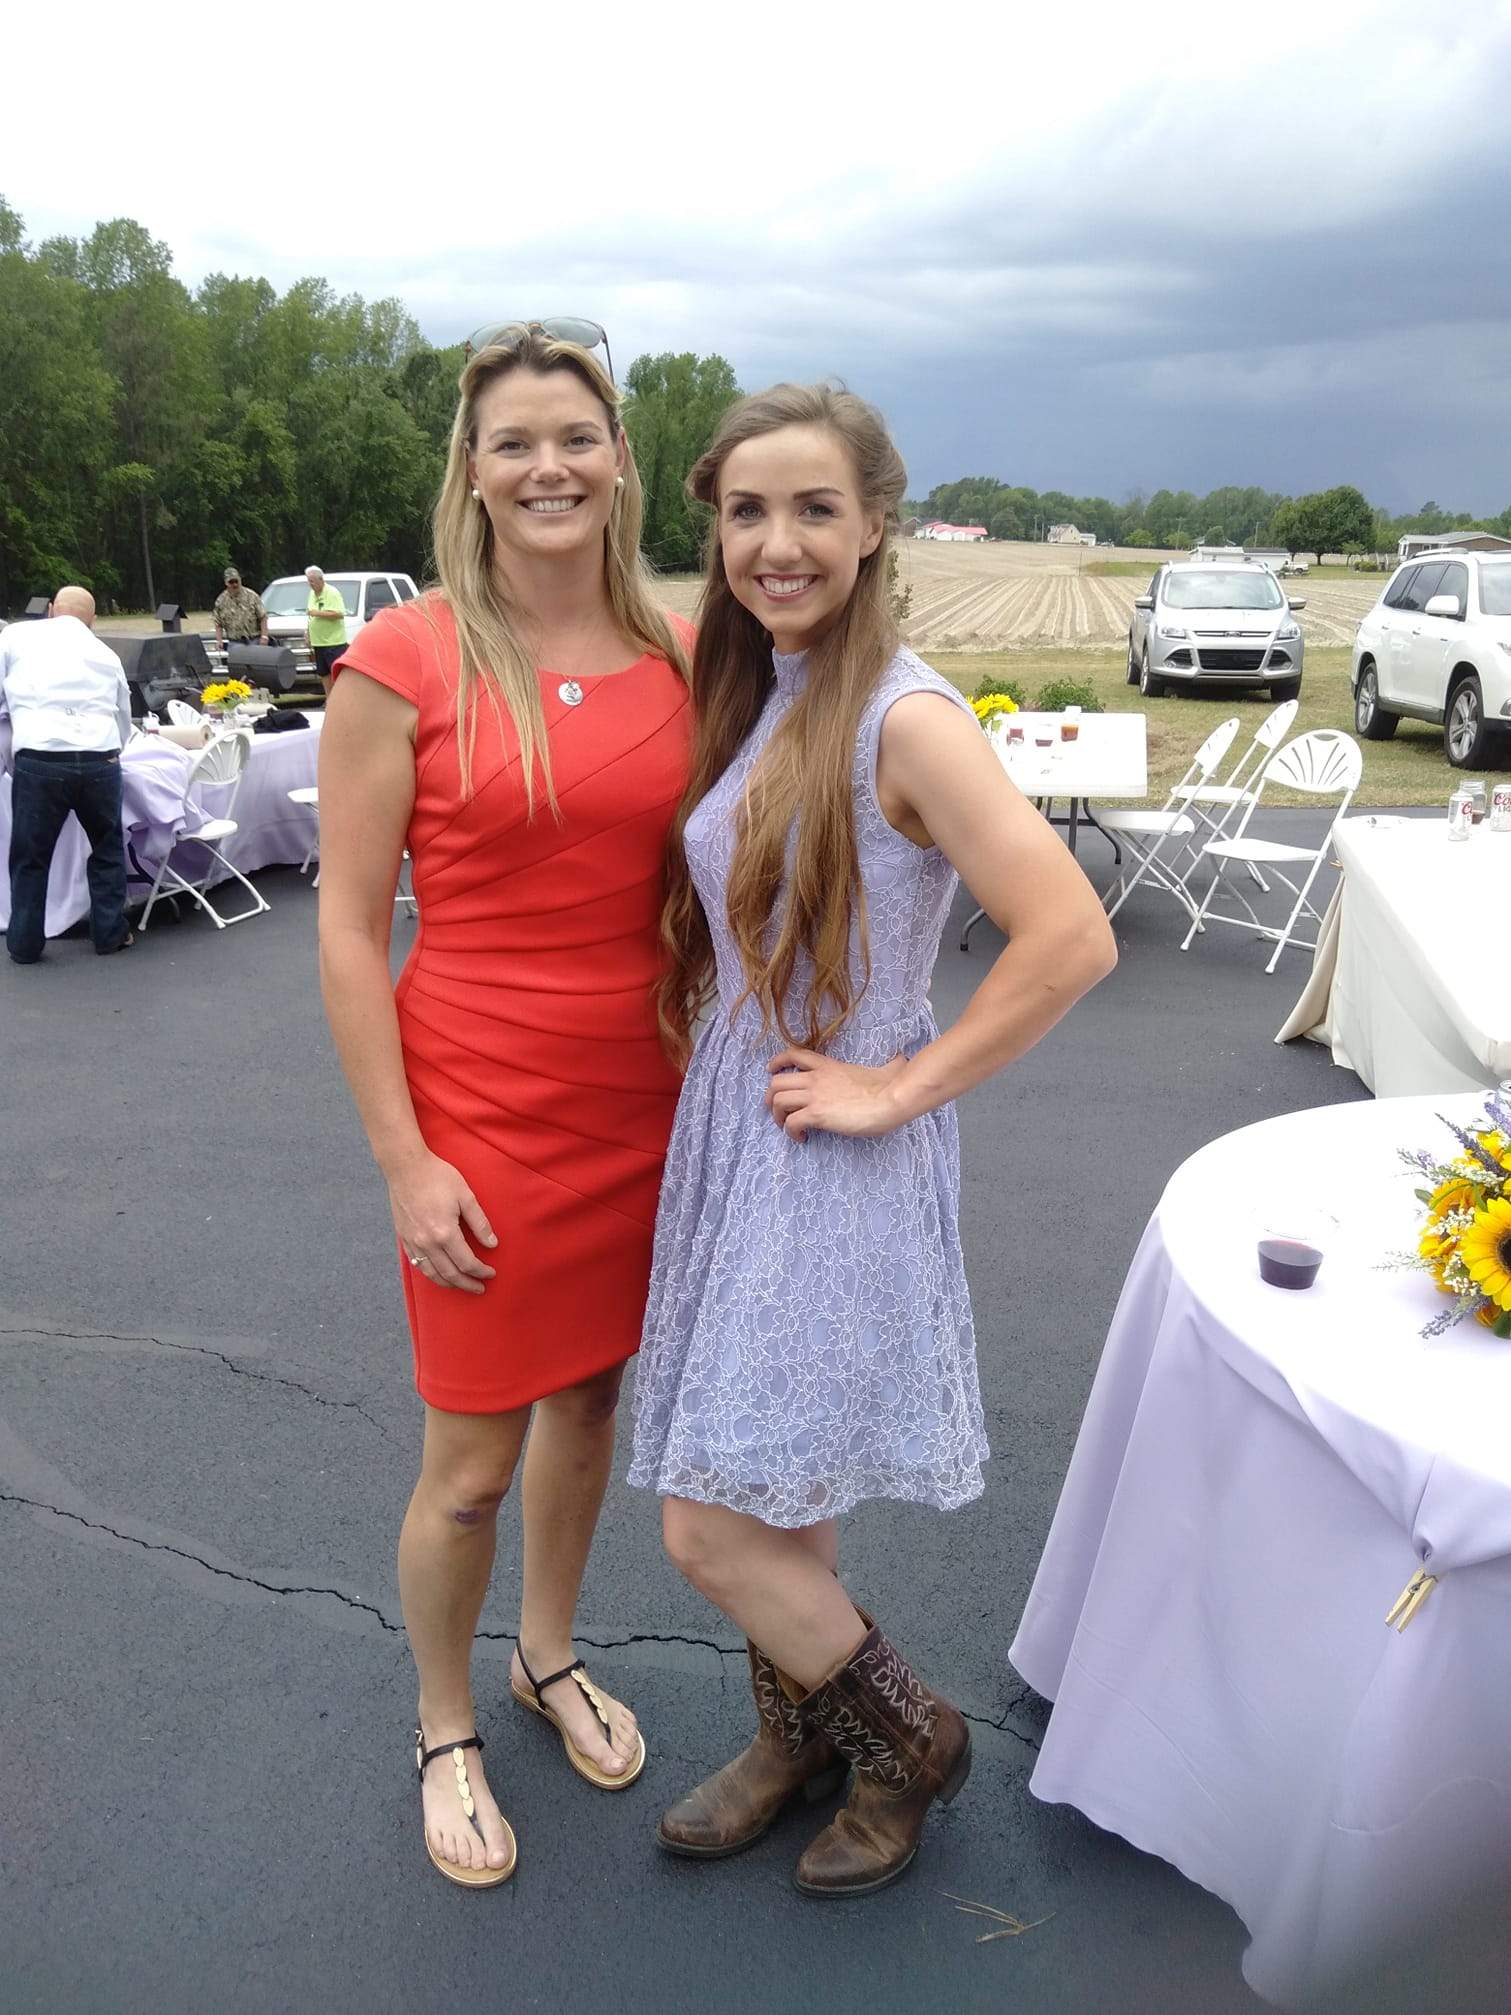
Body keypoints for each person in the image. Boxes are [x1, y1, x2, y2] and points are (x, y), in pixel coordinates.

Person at [629, 384, 1117, 1897]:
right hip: (746, 1113)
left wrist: (894, 1085)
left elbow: (1068, 934)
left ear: (874, 523)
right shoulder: (768, 681)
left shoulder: (903, 712)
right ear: (711, 527)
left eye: (813, 509)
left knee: (708, 1523)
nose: (776, 543)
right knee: (783, 1483)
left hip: (829, 1139)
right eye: (746, 512)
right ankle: (798, 1736)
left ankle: (908, 1739)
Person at [317, 325, 693, 1889]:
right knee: (466, 1461)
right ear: (469, 473)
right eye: (513, 440)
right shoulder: (402, 661)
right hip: (475, 1110)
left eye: (576, 435)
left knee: (591, 1407)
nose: (548, 464)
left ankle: (545, 1651)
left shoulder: (675, 653)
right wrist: (404, 1160)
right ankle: (442, 1717)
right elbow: (346, 926)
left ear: (618, 459)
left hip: (641, 1105)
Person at [1, 585, 134, 965]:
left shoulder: (14, 636)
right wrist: (113, 750)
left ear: (51, 611)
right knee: (106, 849)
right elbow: (122, 716)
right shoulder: (106, 654)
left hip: (40, 757)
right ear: (92, 619)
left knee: (30, 855)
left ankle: (25, 944)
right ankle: (109, 934)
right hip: (99, 759)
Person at [304, 567, 348, 696]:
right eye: (308, 581)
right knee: (323, 672)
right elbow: (310, 616)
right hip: (319, 641)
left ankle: (339, 699)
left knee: (336, 673)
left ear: (321, 579)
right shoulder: (312, 593)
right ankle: (329, 698)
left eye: (312, 581)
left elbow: (339, 614)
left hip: (333, 641)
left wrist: (317, 613)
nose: (310, 584)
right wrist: (308, 633)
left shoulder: (332, 592)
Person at [212, 568, 268, 649]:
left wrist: (264, 636)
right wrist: (219, 640)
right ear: (226, 583)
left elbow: (263, 617)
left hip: (253, 641)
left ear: (240, 580)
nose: (235, 584)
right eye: (231, 582)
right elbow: (218, 624)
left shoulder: (252, 596)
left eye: (236, 581)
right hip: (234, 642)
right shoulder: (221, 600)